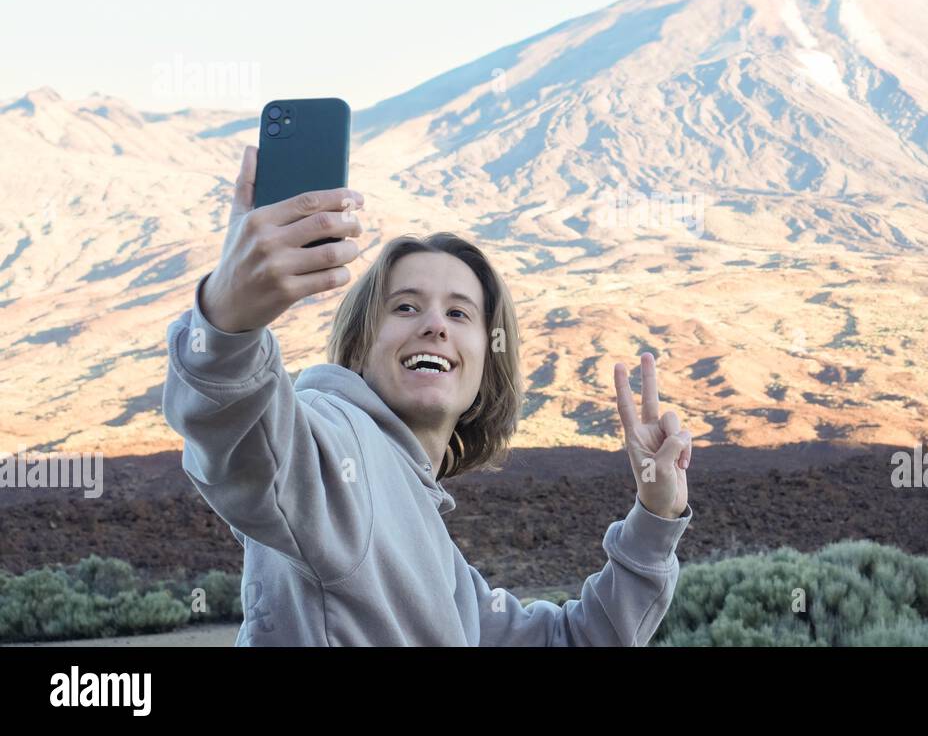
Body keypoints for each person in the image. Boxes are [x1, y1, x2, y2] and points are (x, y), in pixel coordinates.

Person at [161, 146, 694, 645]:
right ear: (359, 344)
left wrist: (655, 514)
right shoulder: (333, 446)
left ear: (489, 364)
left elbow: (571, 640)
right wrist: (229, 319)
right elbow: (242, 438)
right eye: (406, 307)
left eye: (459, 312)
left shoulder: (434, 546)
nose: (435, 325)